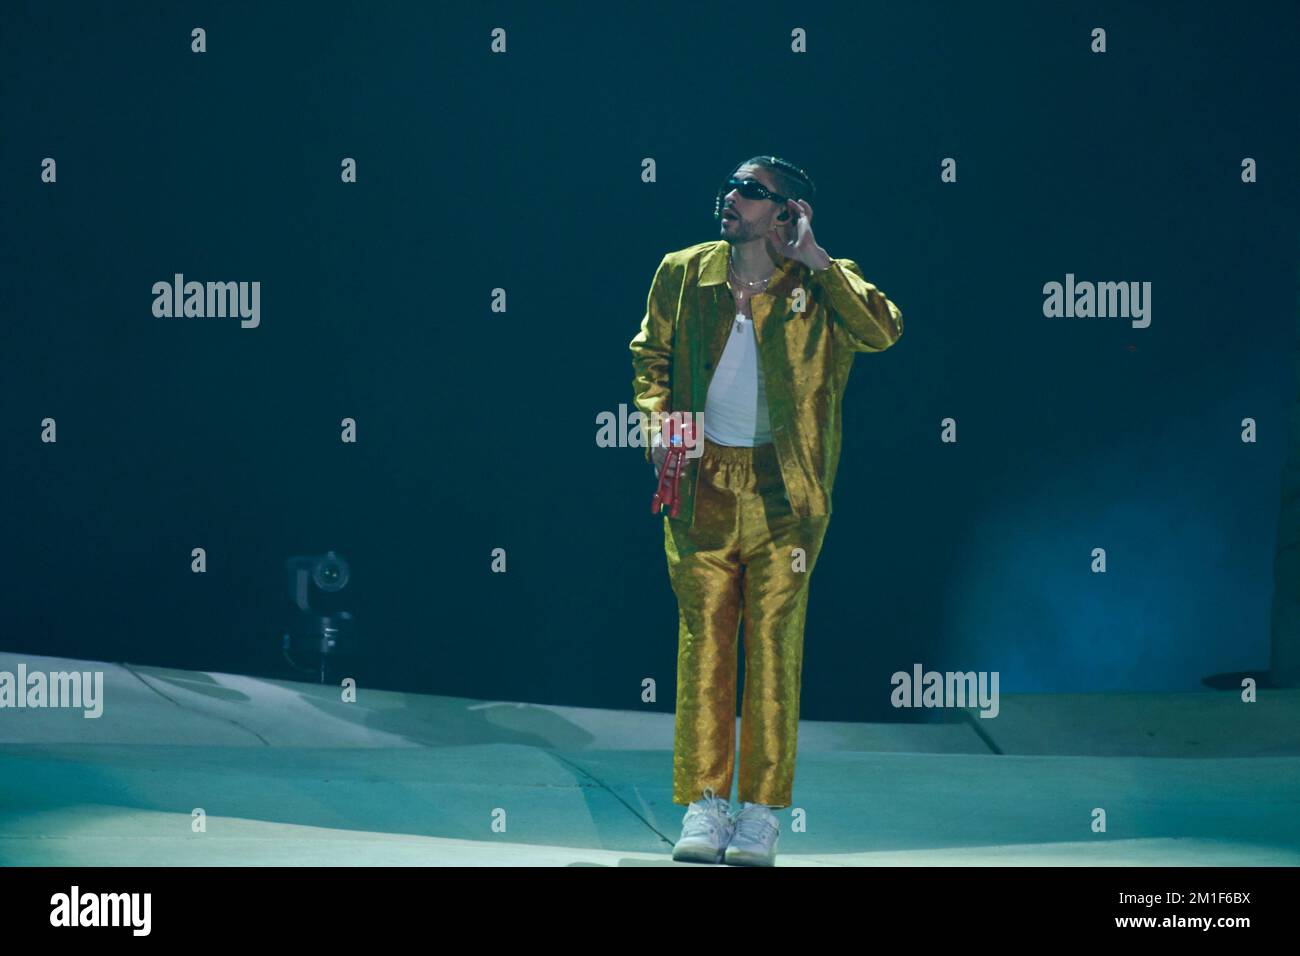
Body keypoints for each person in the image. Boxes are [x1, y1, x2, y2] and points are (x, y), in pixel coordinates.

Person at [629, 155, 904, 865]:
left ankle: (760, 814)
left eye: (753, 192)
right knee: (705, 644)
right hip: (701, 486)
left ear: (787, 213)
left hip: (787, 495)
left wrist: (820, 260)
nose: (732, 197)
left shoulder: (818, 281)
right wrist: (662, 429)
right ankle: (704, 804)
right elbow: (650, 358)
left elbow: (883, 331)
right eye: (731, 185)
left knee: (775, 647)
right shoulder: (685, 271)